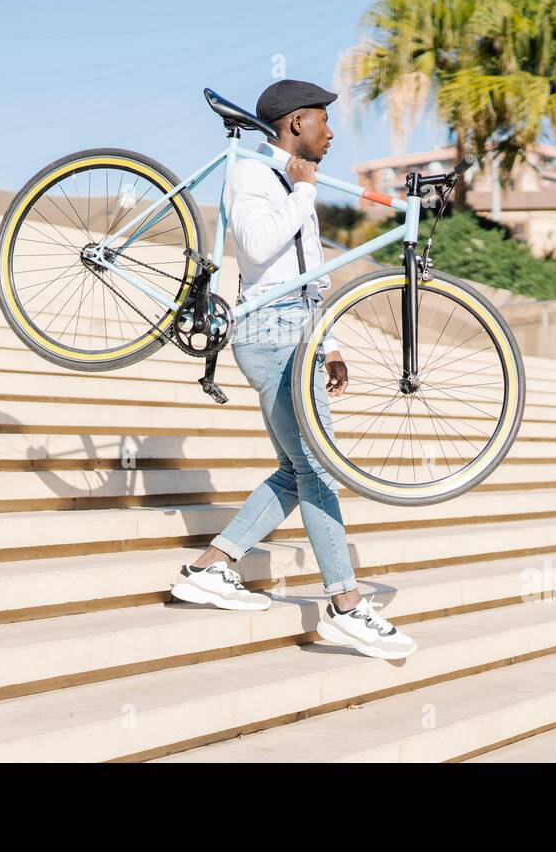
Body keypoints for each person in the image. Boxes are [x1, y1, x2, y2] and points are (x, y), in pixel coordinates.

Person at [169, 79, 417, 660]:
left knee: (295, 470)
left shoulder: (293, 183)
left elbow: (304, 276)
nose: (331, 134)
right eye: (324, 123)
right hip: (269, 328)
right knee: (320, 470)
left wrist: (326, 342)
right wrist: (303, 194)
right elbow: (256, 249)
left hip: (296, 327)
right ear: (296, 123)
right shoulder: (254, 174)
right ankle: (347, 606)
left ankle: (209, 568)